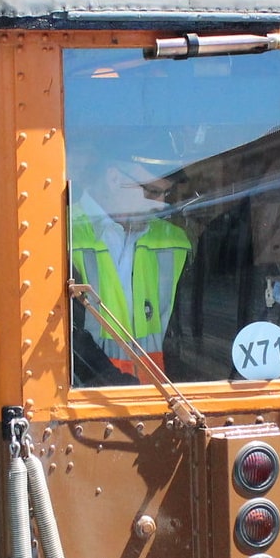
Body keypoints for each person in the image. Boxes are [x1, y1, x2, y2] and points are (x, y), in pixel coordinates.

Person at [69, 149, 191, 385]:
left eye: (167, 193)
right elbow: (63, 337)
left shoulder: (174, 241)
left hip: (167, 406)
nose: (161, 205)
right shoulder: (61, 234)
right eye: (153, 192)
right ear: (114, 178)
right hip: (89, 405)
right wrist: (111, 382)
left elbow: (182, 340)